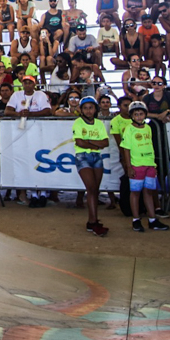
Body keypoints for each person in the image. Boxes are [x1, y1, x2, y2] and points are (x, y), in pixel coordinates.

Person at [120, 101, 170, 232]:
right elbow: (126, 149)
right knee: (135, 193)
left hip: (149, 164)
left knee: (148, 192)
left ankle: (152, 219)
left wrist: (153, 164)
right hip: (137, 165)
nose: (139, 117)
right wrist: (129, 167)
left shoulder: (148, 128)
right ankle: (136, 220)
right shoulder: (129, 129)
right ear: (131, 116)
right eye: (136, 114)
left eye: (141, 114)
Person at [73, 96, 110, 236]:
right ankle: (93, 221)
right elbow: (80, 143)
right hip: (83, 157)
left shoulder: (99, 123)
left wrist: (88, 142)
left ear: (95, 109)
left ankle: (92, 220)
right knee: (91, 187)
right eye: (86, 108)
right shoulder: (78, 122)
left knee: (95, 189)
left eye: (91, 108)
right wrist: (95, 144)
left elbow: (105, 142)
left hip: (96, 157)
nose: (88, 111)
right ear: (81, 110)